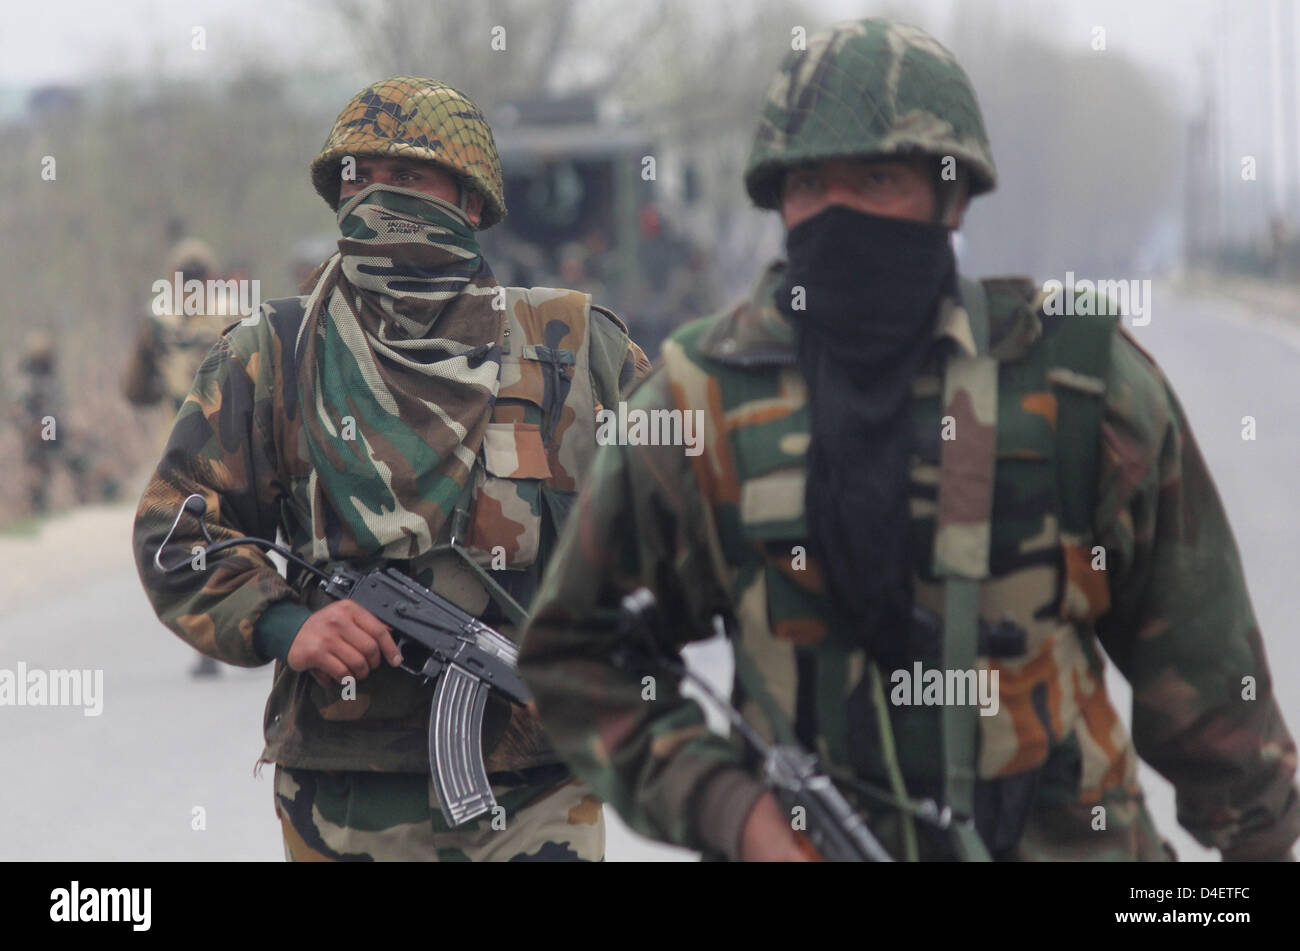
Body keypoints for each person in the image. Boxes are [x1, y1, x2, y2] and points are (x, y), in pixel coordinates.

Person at [518, 18, 1300, 862]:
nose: (839, 211)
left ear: (953, 194)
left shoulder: (1079, 377)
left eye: (879, 176)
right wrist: (732, 811)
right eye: (809, 182)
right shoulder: (699, 395)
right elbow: (574, 652)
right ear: (778, 198)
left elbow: (1212, 683)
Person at [132, 77, 648, 861]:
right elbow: (175, 533)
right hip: (341, 792)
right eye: (357, 179)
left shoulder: (570, 344)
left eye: (405, 178)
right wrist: (290, 624)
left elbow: (696, 508)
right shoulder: (271, 352)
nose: (374, 199)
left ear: (471, 201)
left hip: (539, 779)